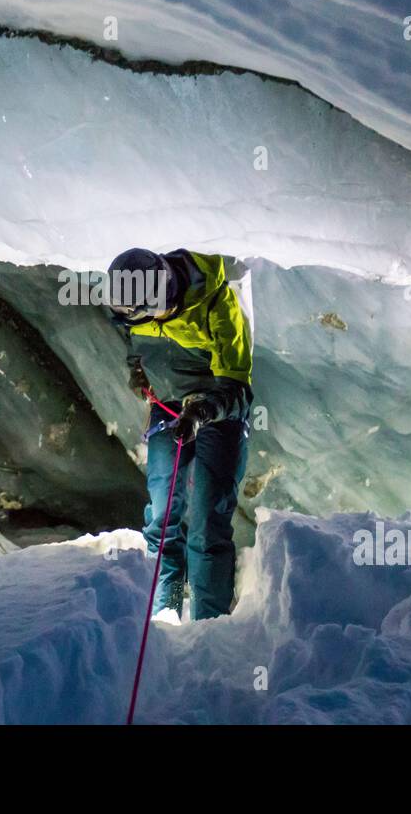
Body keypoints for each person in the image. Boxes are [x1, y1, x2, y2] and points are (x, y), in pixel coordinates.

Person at [106, 247, 253, 621]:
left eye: (134, 315)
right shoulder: (136, 299)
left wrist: (202, 411)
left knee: (207, 524)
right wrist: (140, 374)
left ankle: (210, 624)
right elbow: (139, 349)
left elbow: (236, 388)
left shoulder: (216, 306)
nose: (126, 321)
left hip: (218, 415)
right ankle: (164, 612)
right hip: (167, 410)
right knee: (161, 519)